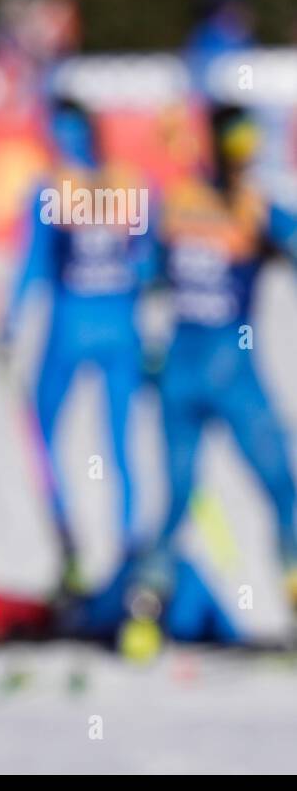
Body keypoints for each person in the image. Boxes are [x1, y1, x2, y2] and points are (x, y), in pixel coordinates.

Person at [114, 104, 297, 655]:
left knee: (175, 498)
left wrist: (145, 355)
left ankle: (143, 617)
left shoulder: (179, 201)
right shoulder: (256, 206)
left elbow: (142, 277)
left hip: (178, 366)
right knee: (282, 489)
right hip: (231, 369)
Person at [1, 98, 153, 594]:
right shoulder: (129, 183)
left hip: (71, 325)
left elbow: (33, 266)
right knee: (120, 444)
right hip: (120, 324)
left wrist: (9, 324)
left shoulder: (49, 190)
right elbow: (150, 263)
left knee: (41, 430)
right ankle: (129, 552)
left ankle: (67, 540)